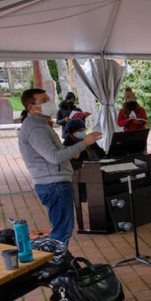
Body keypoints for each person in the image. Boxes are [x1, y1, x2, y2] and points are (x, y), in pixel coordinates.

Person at [18, 89, 102, 244]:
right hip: (54, 184)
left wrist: (70, 152)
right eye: (43, 100)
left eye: (48, 98)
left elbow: (54, 152)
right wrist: (84, 143)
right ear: (31, 107)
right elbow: (54, 157)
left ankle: (58, 261)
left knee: (63, 228)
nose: (49, 102)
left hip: (55, 183)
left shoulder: (40, 125)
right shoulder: (36, 128)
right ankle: (57, 263)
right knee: (62, 230)